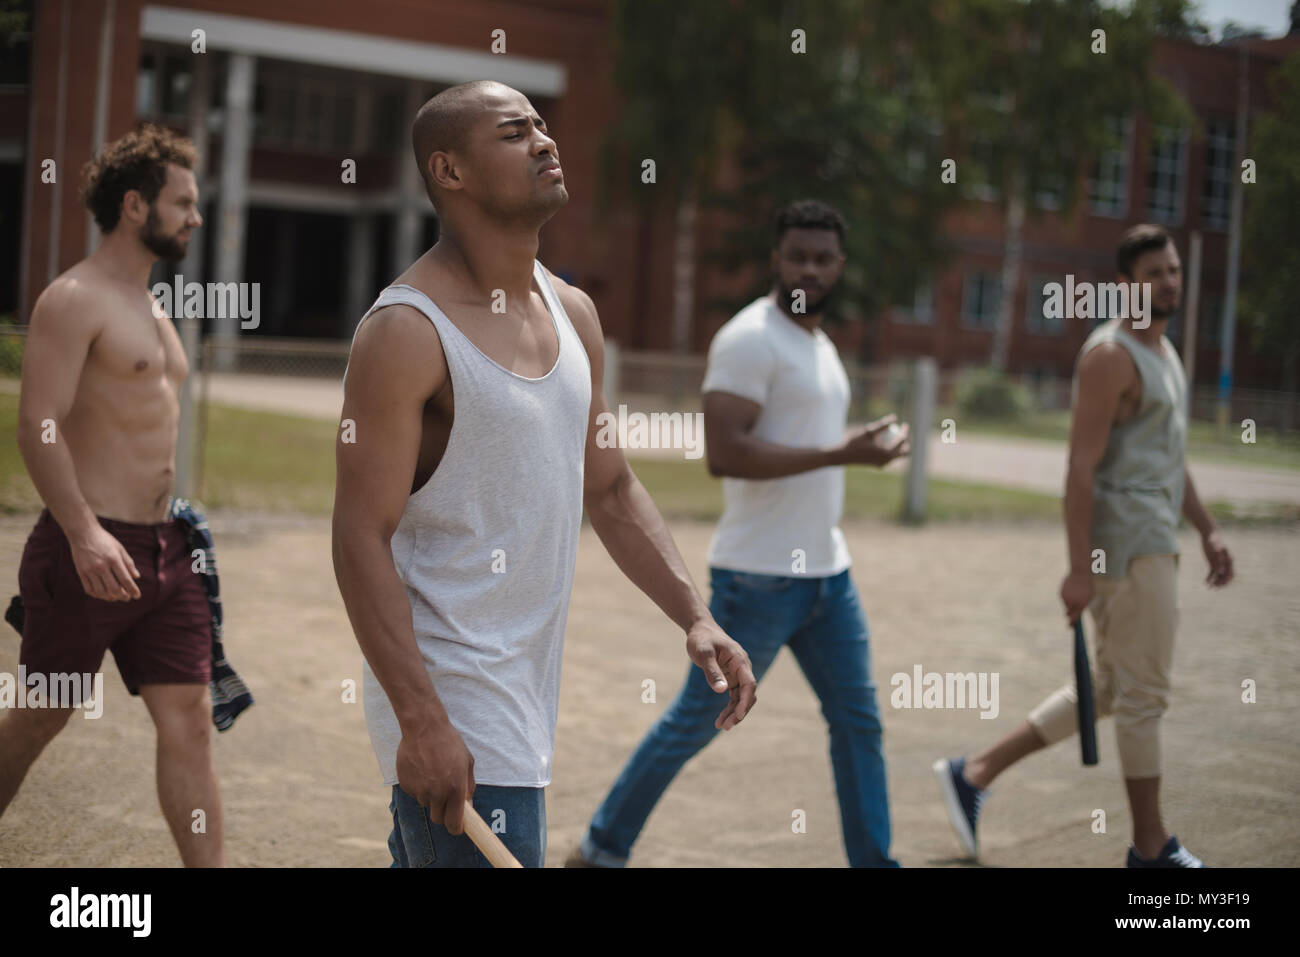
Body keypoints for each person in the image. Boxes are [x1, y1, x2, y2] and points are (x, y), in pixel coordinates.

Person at [332, 80, 758, 868]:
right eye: (514, 131)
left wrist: (694, 613)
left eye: (542, 126)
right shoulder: (405, 332)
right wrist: (423, 720)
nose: (545, 141)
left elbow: (612, 486)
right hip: (455, 700)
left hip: (524, 699)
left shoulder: (575, 313)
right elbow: (359, 535)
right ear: (450, 172)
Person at [567, 199, 910, 868]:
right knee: (693, 724)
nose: (809, 267)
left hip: (827, 578)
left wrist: (846, 447)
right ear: (775, 259)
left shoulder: (819, 343)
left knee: (859, 724)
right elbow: (725, 452)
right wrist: (846, 453)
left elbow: (801, 440)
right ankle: (601, 849)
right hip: (759, 579)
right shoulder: (749, 337)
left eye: (822, 257)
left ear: (839, 265)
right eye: (797, 255)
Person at [934, 223, 1233, 868]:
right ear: (1124, 285)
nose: (1170, 281)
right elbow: (1079, 469)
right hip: (1125, 550)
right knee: (1144, 697)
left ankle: (973, 772)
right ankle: (1152, 850)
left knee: (1107, 686)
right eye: (1155, 273)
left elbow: (1170, 459)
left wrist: (1207, 529)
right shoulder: (1110, 357)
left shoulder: (1166, 353)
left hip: (1158, 541)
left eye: (1175, 270)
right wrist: (1078, 569)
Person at [0, 124, 223, 866]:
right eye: (183, 201)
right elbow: (38, 426)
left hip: (166, 551)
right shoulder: (75, 297)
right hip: (88, 547)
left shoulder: (155, 311)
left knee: (190, 719)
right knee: (42, 715)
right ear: (135, 206)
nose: (196, 216)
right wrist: (83, 532)